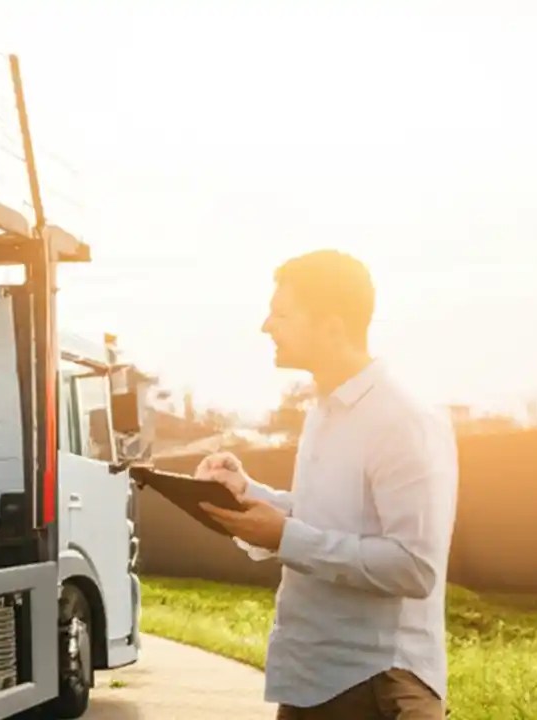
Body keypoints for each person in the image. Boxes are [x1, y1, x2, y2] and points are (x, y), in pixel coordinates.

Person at [194, 249, 458, 719]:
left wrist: (284, 537)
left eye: (281, 314)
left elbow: (415, 567)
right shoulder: (324, 411)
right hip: (310, 681)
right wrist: (247, 492)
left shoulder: (404, 420)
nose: (266, 326)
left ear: (333, 327)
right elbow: (327, 517)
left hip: (377, 686)